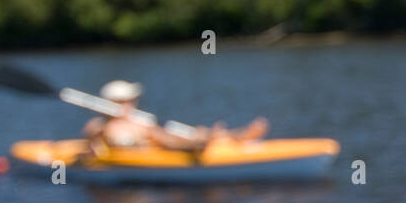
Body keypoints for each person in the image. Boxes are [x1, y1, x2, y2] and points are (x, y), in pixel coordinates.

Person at [82, 80, 268, 151]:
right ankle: (199, 144)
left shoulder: (138, 121)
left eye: (133, 100)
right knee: (166, 136)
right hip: (142, 151)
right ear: (114, 103)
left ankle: (237, 135)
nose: (133, 103)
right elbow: (92, 134)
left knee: (193, 131)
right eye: (128, 100)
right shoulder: (100, 124)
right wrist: (103, 129)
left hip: (155, 142)